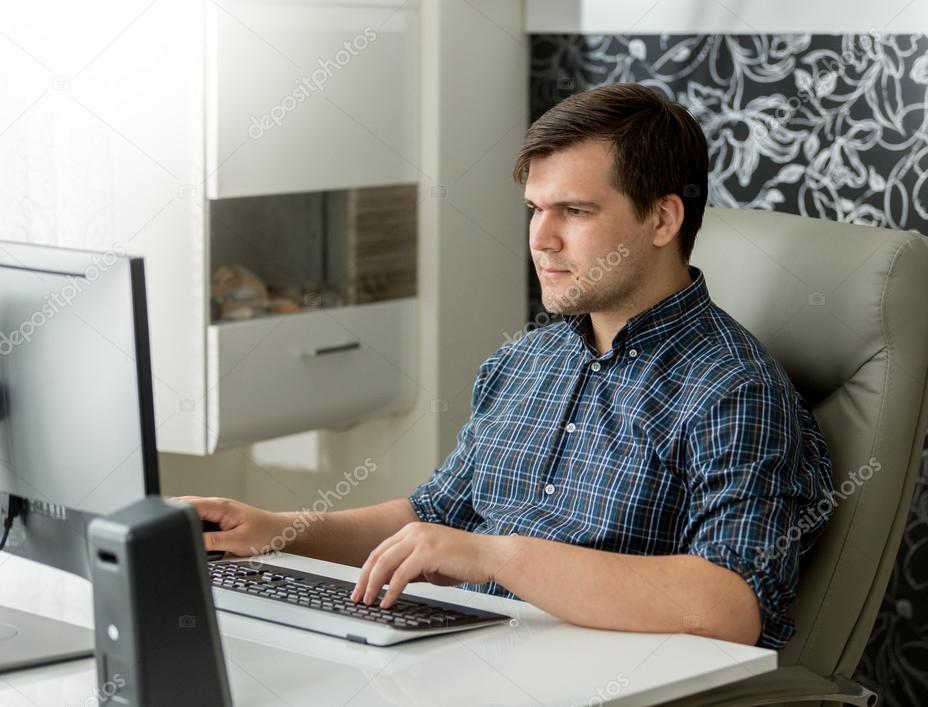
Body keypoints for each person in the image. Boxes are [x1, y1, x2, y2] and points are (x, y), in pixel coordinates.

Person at [178, 83, 834, 649]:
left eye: (574, 211)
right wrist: (275, 530)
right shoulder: (522, 361)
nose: (540, 238)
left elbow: (728, 606)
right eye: (533, 210)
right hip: (474, 655)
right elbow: (433, 517)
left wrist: (498, 554)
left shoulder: (733, 389)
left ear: (661, 218)